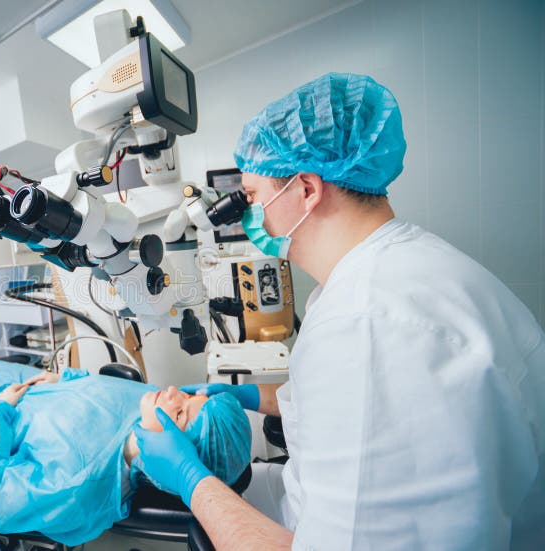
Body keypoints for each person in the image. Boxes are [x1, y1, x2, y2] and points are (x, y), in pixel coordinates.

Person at [134, 72, 545, 550]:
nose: (249, 216)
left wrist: (191, 480)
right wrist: (248, 396)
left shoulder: (365, 325)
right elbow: (329, 407)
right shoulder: (387, 274)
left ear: (307, 189)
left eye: (252, 197)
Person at [0, 332, 251, 546]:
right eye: (188, 395)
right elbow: (101, 387)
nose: (172, 392)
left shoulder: (75, 487)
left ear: (173, 453)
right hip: (32, 389)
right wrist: (63, 379)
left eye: (181, 412)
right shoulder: (148, 406)